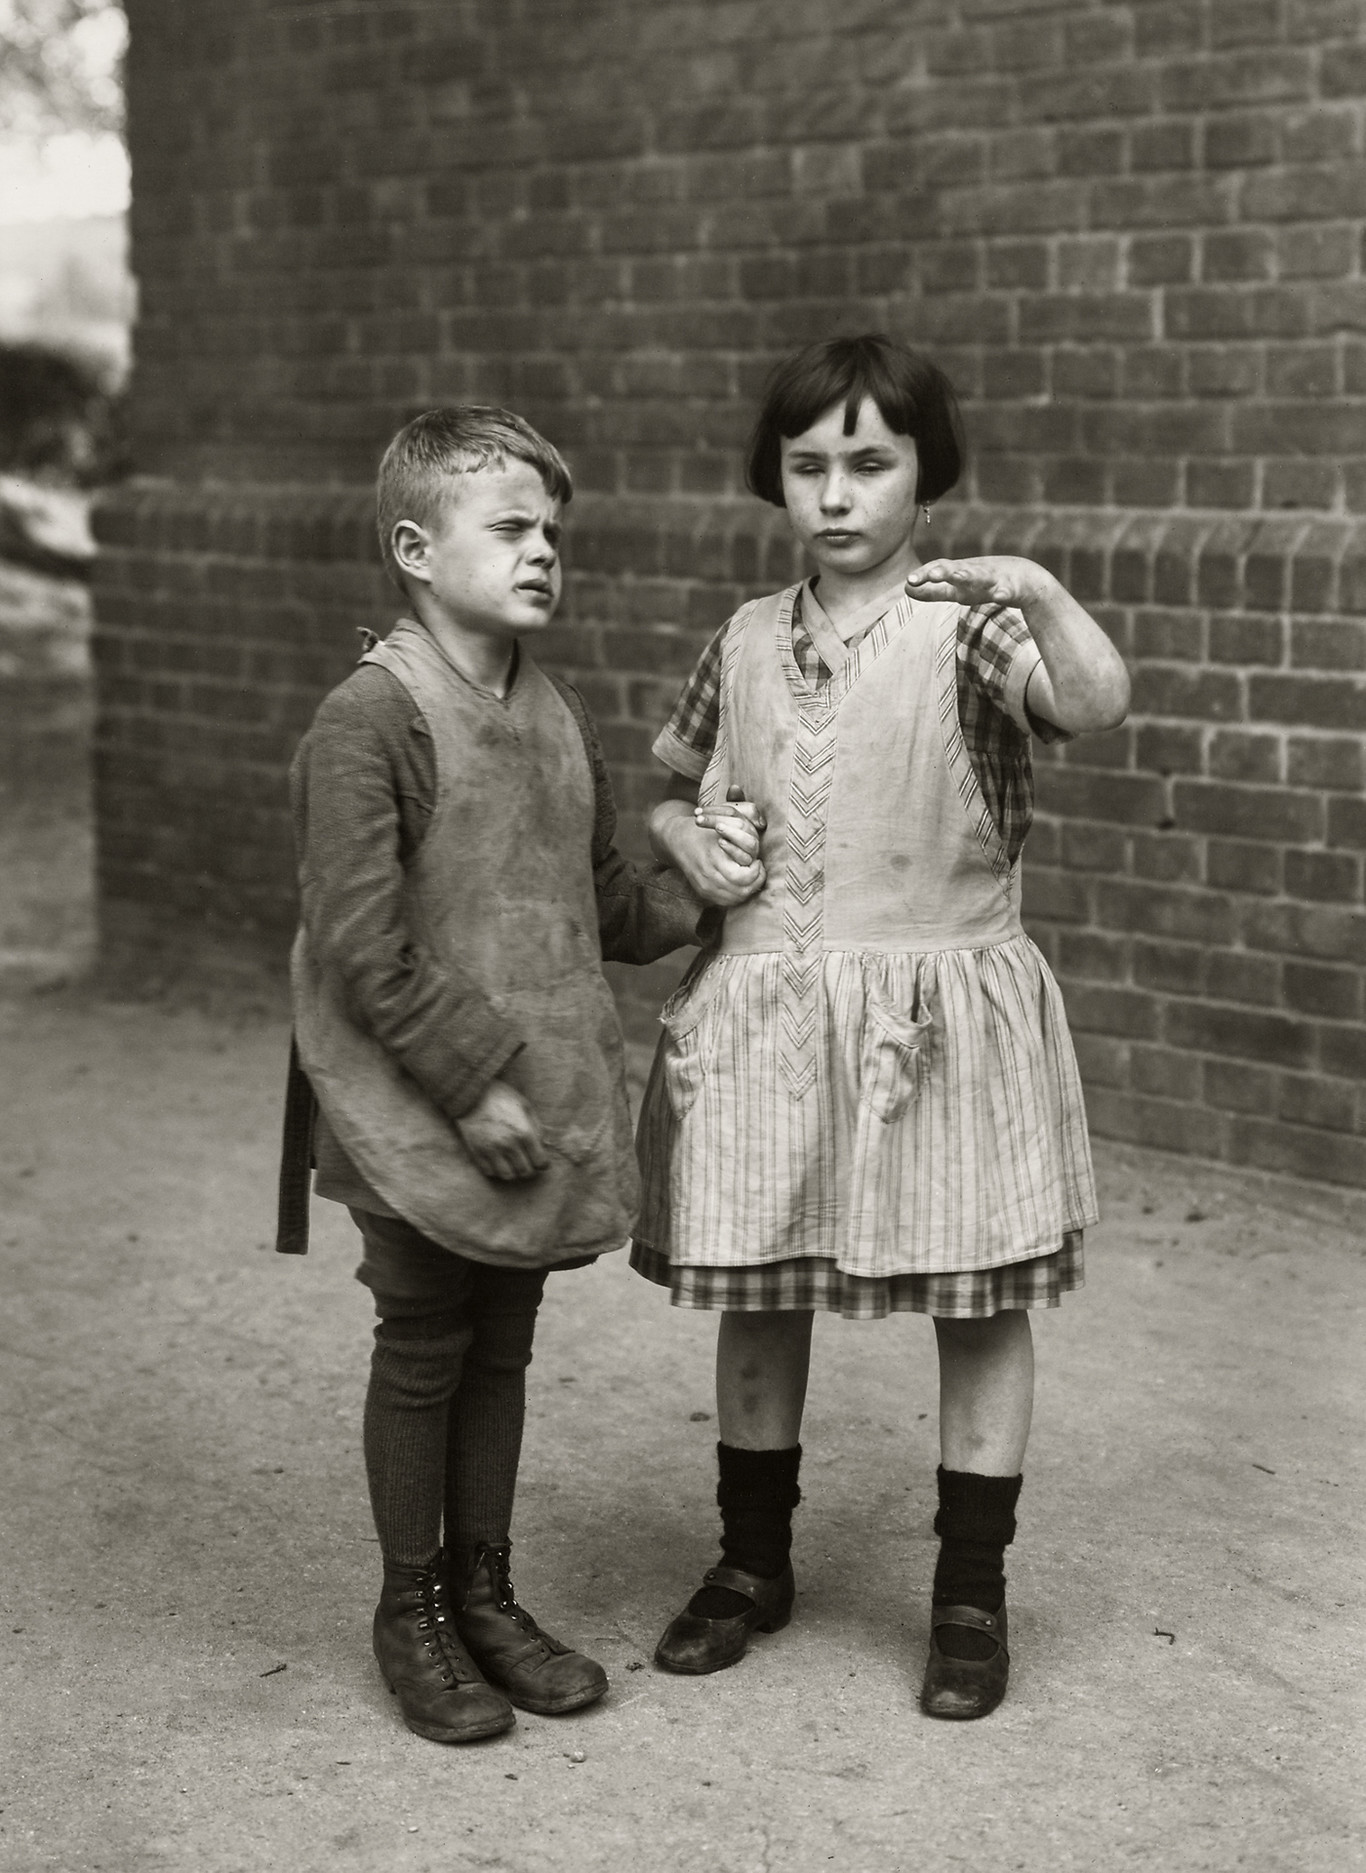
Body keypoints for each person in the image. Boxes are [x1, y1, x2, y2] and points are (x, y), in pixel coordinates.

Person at [632, 334, 1130, 1720]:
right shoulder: (738, 635)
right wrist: (689, 836)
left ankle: (968, 1592)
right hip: (768, 1012)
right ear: (774, 478)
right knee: (756, 1287)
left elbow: (1090, 704)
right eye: (808, 466)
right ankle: (749, 1565)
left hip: (936, 1007)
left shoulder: (968, 619)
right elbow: (674, 791)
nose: (836, 494)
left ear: (923, 471)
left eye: (869, 462)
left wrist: (1036, 589)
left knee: (976, 1300)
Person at [275, 406, 724, 1745]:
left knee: (504, 1340)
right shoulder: (372, 717)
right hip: (415, 1101)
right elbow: (361, 941)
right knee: (424, 1339)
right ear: (416, 547)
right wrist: (470, 1083)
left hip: (537, 1100)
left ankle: (485, 1592)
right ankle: (408, 1608)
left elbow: (596, 908)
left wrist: (705, 886)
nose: (543, 553)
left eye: (553, 532)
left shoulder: (549, 709)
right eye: (511, 528)